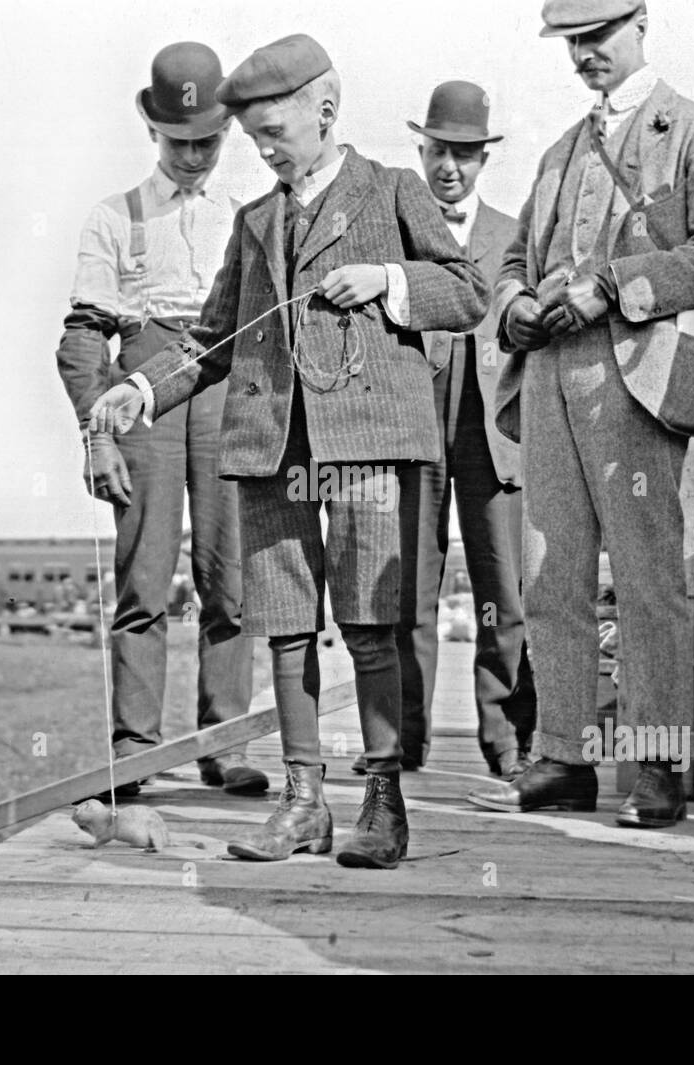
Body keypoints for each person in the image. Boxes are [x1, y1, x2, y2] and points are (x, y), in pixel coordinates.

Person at [89, 33, 487, 868]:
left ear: (326, 112)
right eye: (256, 136)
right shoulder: (255, 219)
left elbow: (469, 291)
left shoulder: (393, 191)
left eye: (275, 131)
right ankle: (304, 804)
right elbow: (213, 340)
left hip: (373, 448)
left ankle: (382, 802)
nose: (263, 149)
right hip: (271, 449)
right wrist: (142, 390)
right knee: (284, 628)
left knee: (372, 624)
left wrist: (390, 281)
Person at [466, 0, 694, 826]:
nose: (585, 55)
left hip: (642, 377)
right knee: (550, 574)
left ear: (641, 27)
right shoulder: (561, 148)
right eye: (573, 42)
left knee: (645, 577)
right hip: (551, 378)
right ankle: (562, 755)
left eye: (598, 37)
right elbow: (517, 256)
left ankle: (656, 765)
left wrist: (614, 286)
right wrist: (516, 302)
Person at [54, 42, 266, 799]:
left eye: (207, 141)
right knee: (144, 579)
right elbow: (82, 338)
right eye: (180, 143)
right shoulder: (115, 217)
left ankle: (224, 740)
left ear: (228, 133)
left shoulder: (249, 215)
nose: (193, 156)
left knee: (229, 577)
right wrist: (97, 432)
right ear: (153, 132)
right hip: (141, 388)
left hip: (223, 388)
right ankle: (135, 746)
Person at [354, 81, 535, 780]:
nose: (449, 167)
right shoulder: (393, 232)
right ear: (420, 150)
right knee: (408, 592)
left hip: (493, 428)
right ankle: (403, 743)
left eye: (464, 153)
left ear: (485, 157)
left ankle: (507, 744)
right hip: (413, 422)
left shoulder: (511, 237)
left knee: (504, 591)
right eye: (438, 151)